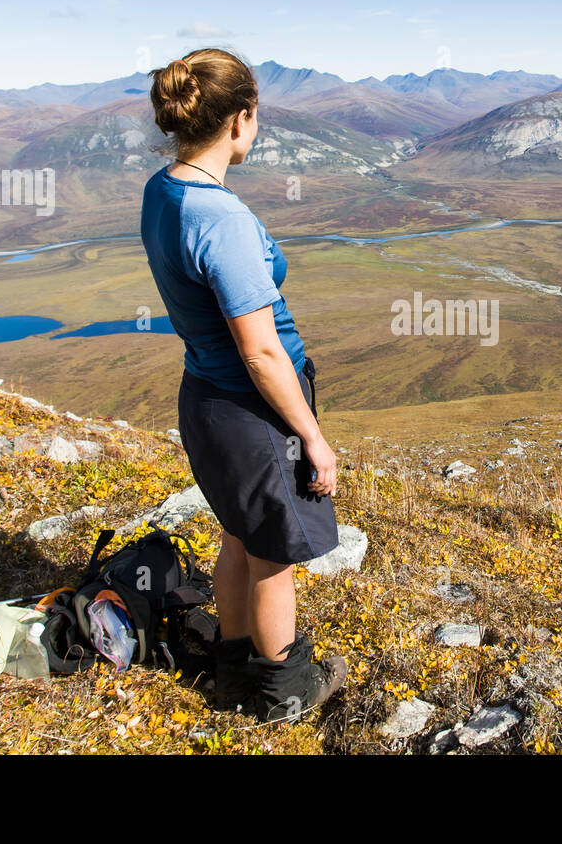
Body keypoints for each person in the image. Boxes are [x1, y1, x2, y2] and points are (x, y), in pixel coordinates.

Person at [139, 47, 346, 722]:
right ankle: (285, 691)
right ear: (242, 119)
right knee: (274, 558)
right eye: (255, 117)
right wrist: (313, 439)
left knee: (239, 535)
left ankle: (231, 673)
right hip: (252, 411)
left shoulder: (163, 190)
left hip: (205, 397)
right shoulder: (220, 219)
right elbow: (260, 352)